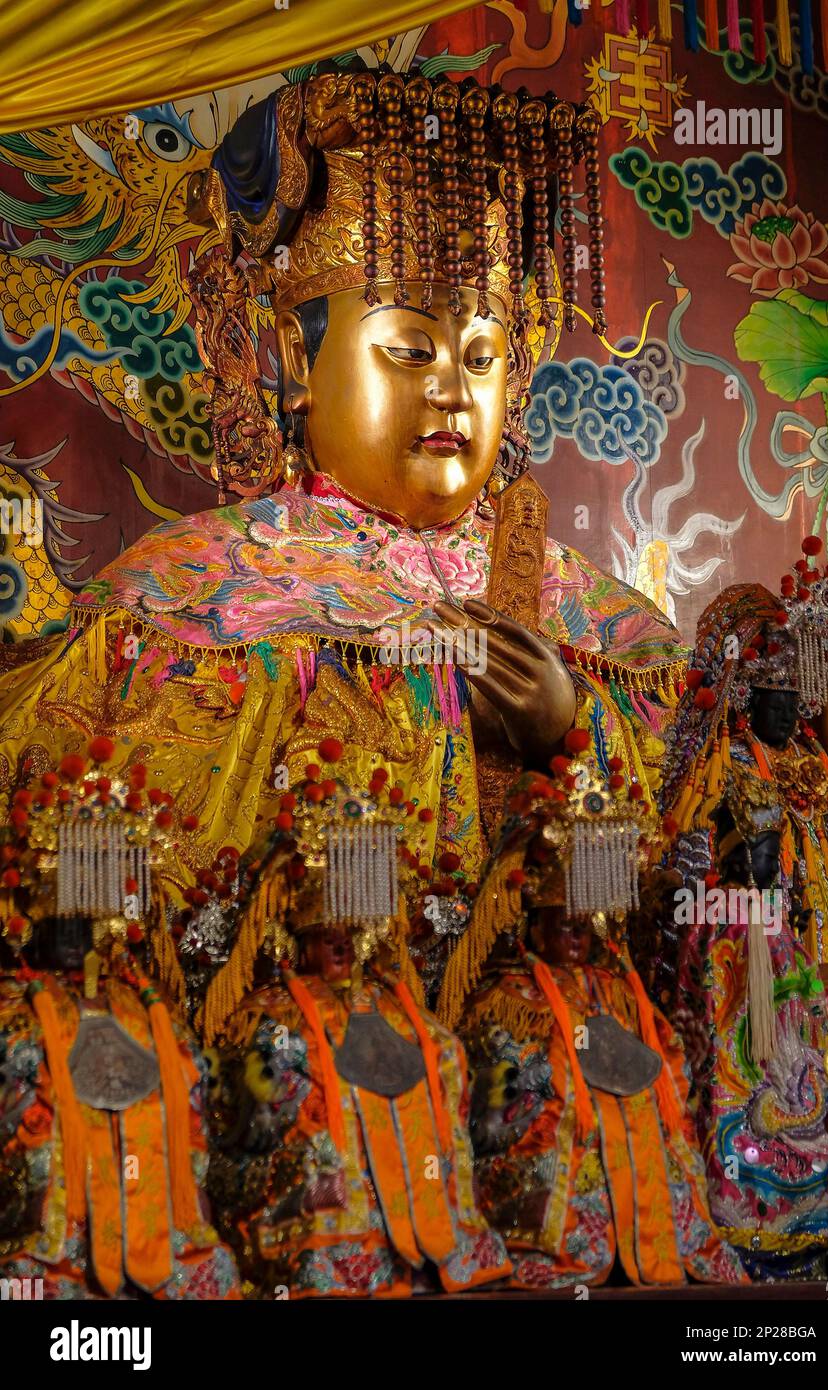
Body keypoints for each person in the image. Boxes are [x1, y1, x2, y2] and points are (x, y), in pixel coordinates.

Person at [0, 70, 684, 930]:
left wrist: (574, 725)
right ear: (295, 355)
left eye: (480, 359)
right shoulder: (186, 594)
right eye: (408, 350)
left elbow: (710, 830)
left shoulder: (600, 617)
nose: (451, 392)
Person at [200, 740, 512, 1297]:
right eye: (325, 934)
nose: (340, 945)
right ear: (299, 933)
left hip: (430, 1221)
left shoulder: (399, 1008)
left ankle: (434, 1234)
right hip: (318, 1223)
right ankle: (341, 1241)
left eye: (349, 930)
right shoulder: (270, 1017)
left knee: (442, 1052)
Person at [438, 749, 744, 1289]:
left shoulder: (614, 988)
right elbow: (492, 1099)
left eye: (586, 922)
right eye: (564, 923)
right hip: (557, 1137)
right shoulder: (506, 997)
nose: (578, 935)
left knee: (669, 1138)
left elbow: (663, 1056)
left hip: (633, 1133)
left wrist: (658, 1083)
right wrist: (552, 1083)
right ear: (534, 922)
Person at [654, 553, 828, 1276]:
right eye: (774, 698)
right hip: (763, 939)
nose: (792, 711)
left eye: (796, 698)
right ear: (746, 698)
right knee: (782, 1070)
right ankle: (777, 1194)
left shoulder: (818, 760)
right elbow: (689, 859)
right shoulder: (726, 766)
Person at [0, 743, 240, 1299]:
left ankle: (158, 1236)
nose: (81, 929)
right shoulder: (16, 1012)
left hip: (156, 1223)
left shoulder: (147, 1010)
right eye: (68, 911)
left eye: (93, 910)